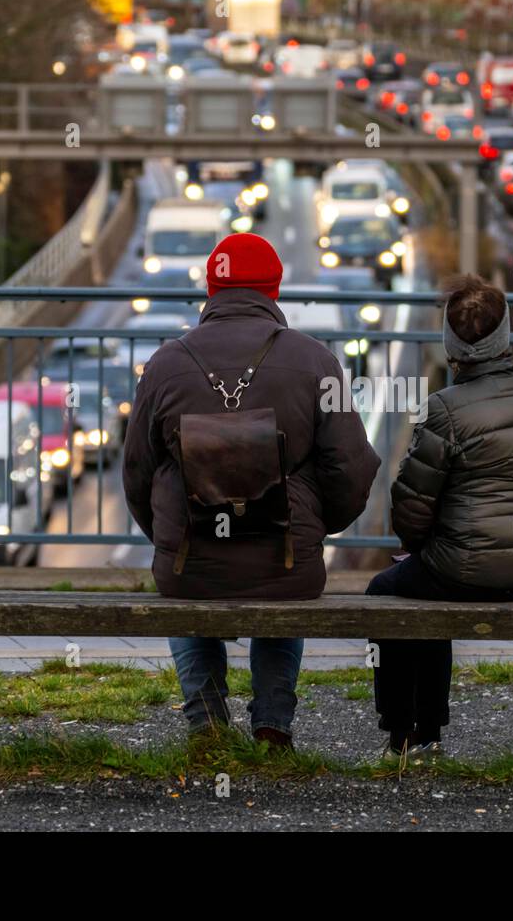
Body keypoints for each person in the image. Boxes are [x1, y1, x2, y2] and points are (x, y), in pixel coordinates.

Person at [123, 232, 380, 749]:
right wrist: (310, 526)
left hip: (189, 563)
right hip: (286, 561)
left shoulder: (166, 364)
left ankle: (208, 725)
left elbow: (137, 473)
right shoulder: (316, 363)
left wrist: (171, 537)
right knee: (281, 586)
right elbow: (350, 468)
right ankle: (272, 724)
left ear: (211, 290)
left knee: (189, 591)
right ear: (274, 290)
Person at [367, 274, 513, 758]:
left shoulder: (444, 409)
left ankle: (404, 733)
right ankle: (429, 733)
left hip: (467, 571)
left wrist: (419, 546)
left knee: (391, 593)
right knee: (430, 576)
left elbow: (411, 511)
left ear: (451, 346)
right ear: (505, 338)